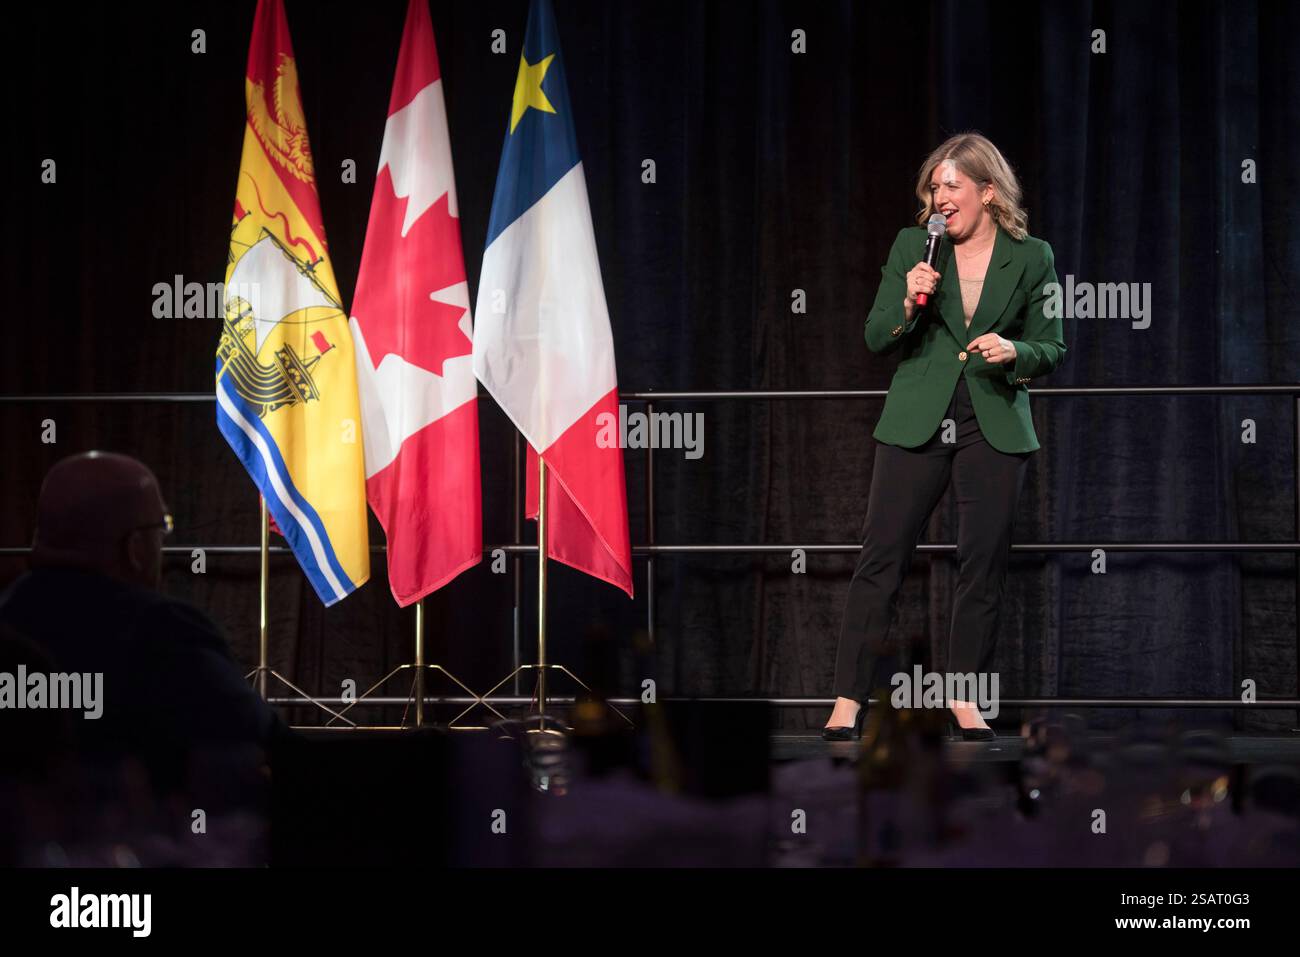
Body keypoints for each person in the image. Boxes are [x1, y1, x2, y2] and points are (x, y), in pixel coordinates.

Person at [823, 133, 1066, 742]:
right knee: (881, 558)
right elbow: (877, 335)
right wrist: (908, 299)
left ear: (987, 191)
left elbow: (1053, 345)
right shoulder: (915, 245)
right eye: (934, 186)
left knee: (981, 566)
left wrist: (1016, 350)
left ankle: (964, 698)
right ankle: (849, 700)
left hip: (993, 418)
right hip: (917, 416)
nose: (940, 196)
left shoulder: (1031, 255)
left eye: (952, 185)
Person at [0, 451, 289, 793]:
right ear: (135, 547)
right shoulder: (164, 632)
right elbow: (265, 740)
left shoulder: (8, 624)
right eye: (162, 527)